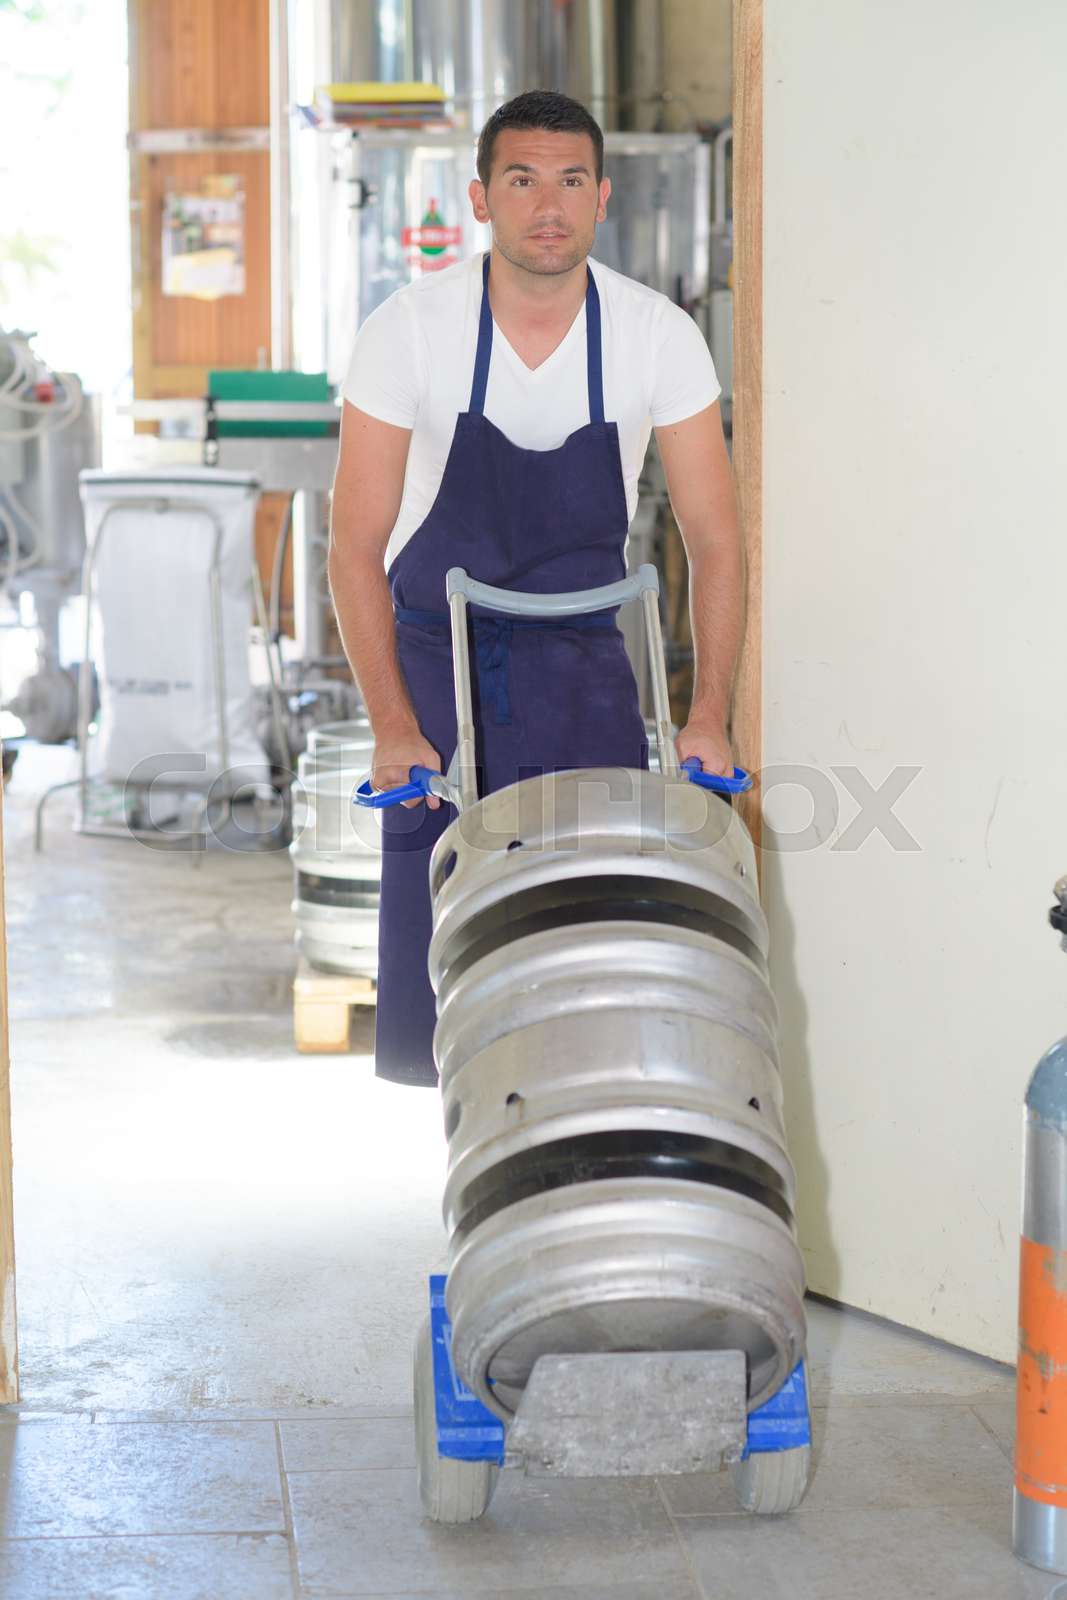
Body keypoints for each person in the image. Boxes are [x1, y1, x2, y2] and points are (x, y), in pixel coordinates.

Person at [329, 89, 743, 1088]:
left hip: (582, 672)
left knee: (588, 958)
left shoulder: (654, 337)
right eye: (520, 180)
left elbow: (716, 538)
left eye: (568, 181)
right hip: (435, 671)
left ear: (600, 198)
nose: (545, 205)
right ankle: (477, 1211)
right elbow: (352, 545)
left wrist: (709, 715)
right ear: (480, 198)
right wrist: (391, 725)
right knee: (448, 976)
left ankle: (569, 1209)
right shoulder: (409, 331)